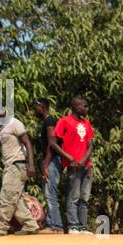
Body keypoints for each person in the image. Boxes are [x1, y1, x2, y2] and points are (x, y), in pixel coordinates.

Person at [54, 96, 96, 234]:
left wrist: (84, 161)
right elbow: (54, 143)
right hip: (73, 166)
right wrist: (69, 158)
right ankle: (73, 225)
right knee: (74, 196)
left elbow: (90, 145)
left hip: (86, 166)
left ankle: (83, 227)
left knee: (85, 198)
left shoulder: (86, 123)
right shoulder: (64, 121)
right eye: (84, 106)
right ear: (76, 106)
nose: (86, 109)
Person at [32, 97, 65, 233]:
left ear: (43, 107)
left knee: (50, 193)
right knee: (49, 193)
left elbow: (52, 144)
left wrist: (45, 165)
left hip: (51, 161)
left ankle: (55, 226)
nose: (34, 111)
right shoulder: (47, 122)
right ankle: (54, 224)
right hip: (49, 161)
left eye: (35, 107)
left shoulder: (50, 121)